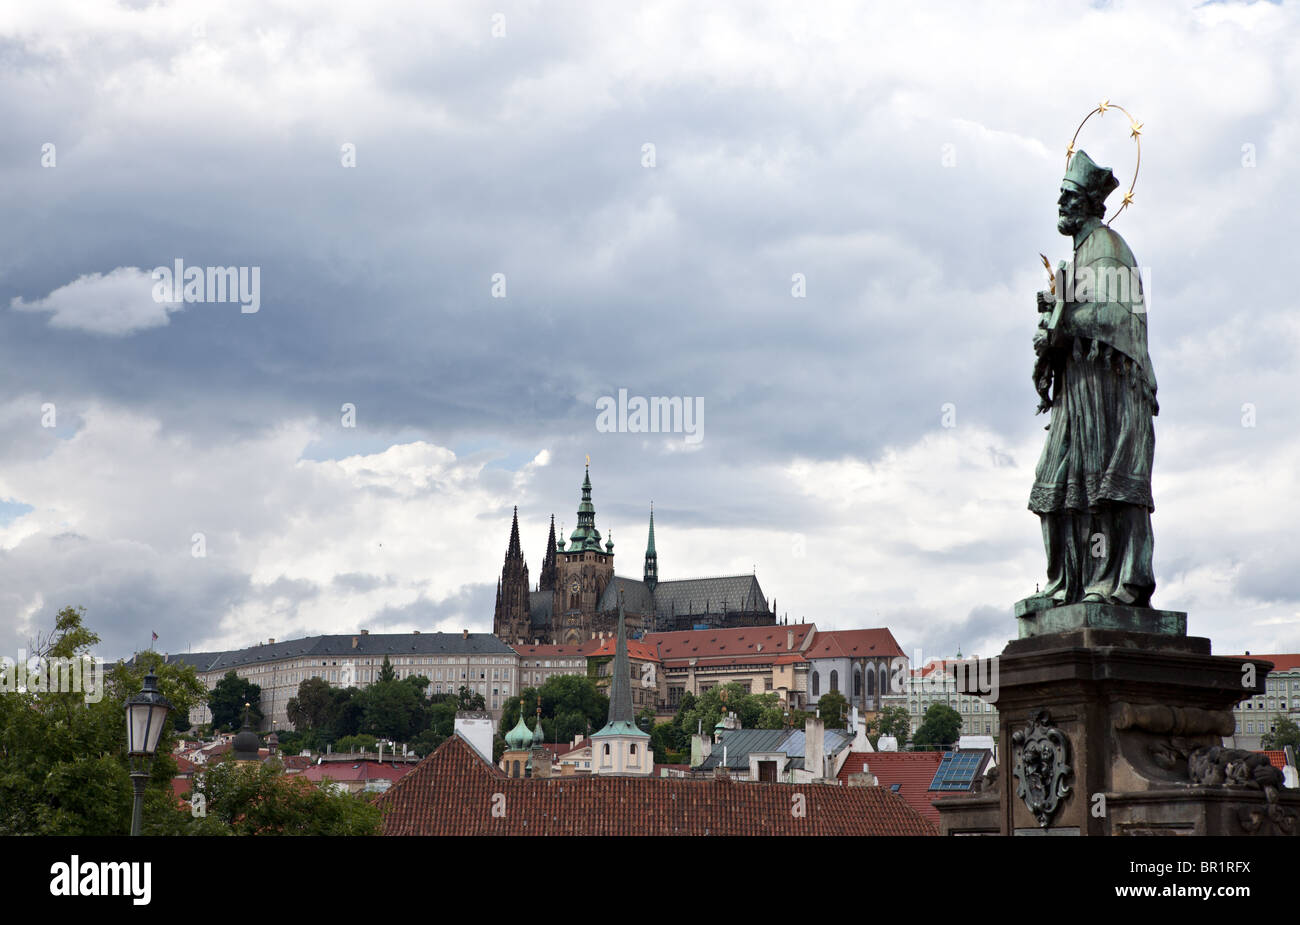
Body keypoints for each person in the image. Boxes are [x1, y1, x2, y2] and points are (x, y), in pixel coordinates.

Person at [1030, 150, 1157, 606]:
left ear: (1088, 201)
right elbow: (1073, 320)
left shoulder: (1107, 247)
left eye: (1068, 197)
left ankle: (1109, 582)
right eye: (1059, 198)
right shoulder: (1074, 260)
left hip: (1108, 389)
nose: (1060, 206)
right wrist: (1051, 334)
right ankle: (1067, 582)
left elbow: (1116, 317)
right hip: (1077, 390)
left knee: (1105, 483)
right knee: (1055, 485)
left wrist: (1062, 319)